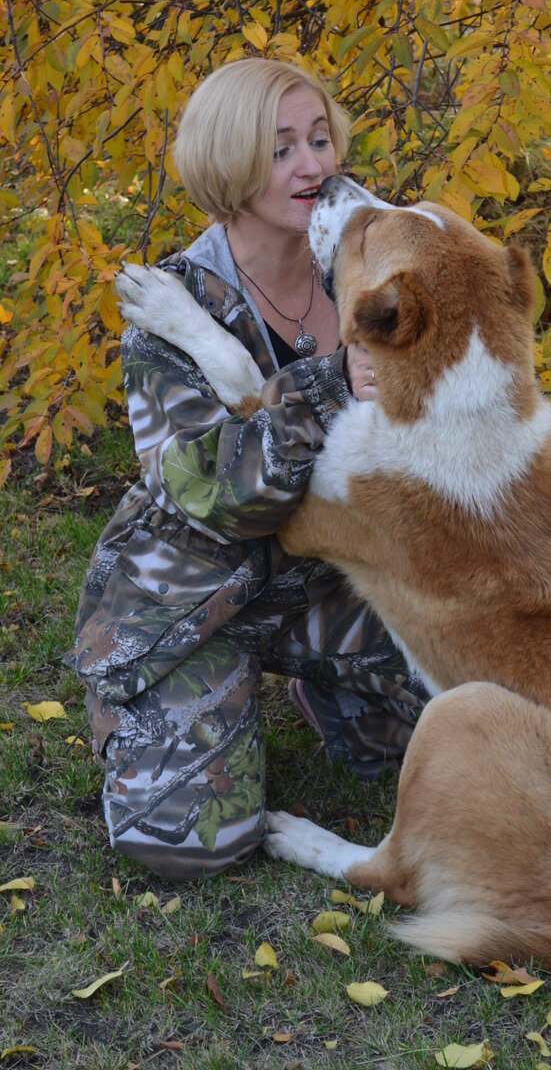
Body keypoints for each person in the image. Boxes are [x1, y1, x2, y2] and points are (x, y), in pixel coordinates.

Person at [65, 59, 426, 880]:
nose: (314, 166)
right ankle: (165, 701)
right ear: (231, 163)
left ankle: (325, 687)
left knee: (467, 728)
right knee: (192, 849)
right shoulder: (174, 306)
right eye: (279, 150)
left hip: (339, 575)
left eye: (319, 139)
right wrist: (330, 382)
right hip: (202, 594)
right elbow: (214, 499)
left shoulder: (375, 251)